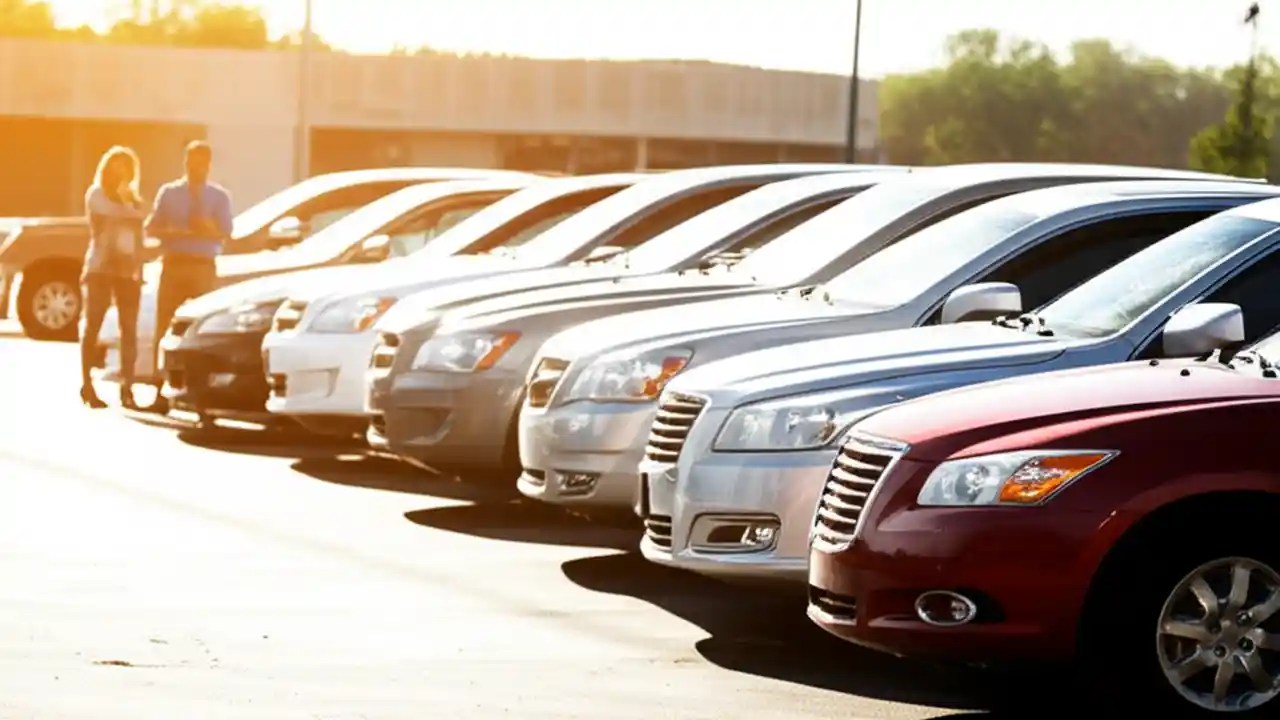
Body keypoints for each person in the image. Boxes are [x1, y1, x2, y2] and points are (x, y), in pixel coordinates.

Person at [144, 140, 233, 413]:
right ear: (185, 162)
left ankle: (201, 397)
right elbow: (151, 227)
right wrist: (171, 230)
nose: (196, 168)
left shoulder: (219, 197)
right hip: (174, 264)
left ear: (208, 165)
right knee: (165, 328)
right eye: (191, 162)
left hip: (203, 267)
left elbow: (227, 231)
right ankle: (161, 391)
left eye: (201, 163)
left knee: (202, 330)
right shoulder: (169, 193)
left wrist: (207, 227)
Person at [80, 146, 147, 410]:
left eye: (126, 168)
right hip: (100, 268)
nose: (121, 173)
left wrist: (139, 268)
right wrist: (128, 203)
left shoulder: (133, 198)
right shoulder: (96, 195)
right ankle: (87, 384)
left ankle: (127, 387)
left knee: (128, 329)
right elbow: (118, 214)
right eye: (115, 166)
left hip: (127, 270)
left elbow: (142, 223)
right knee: (93, 325)